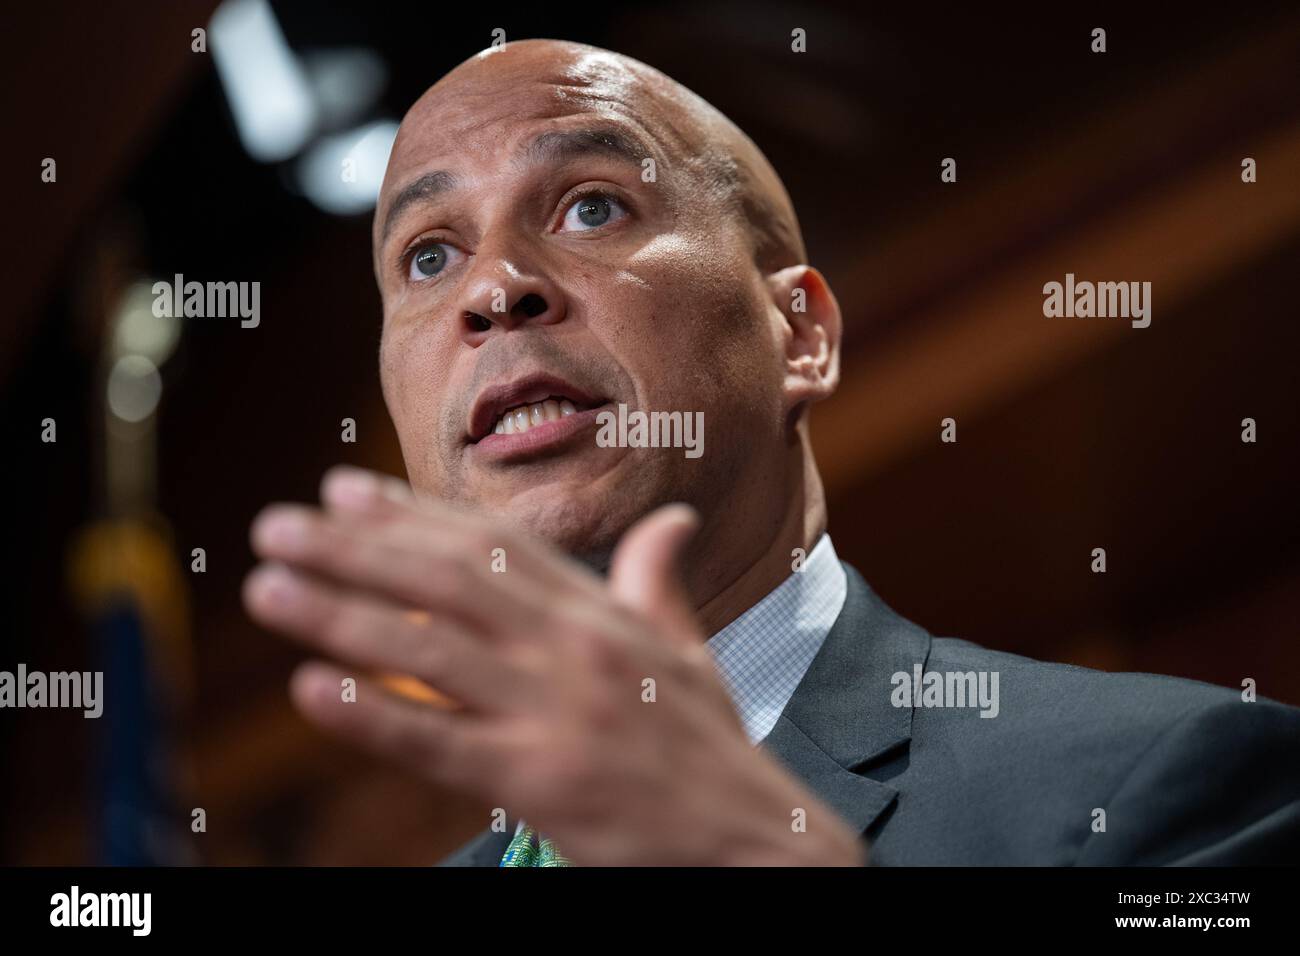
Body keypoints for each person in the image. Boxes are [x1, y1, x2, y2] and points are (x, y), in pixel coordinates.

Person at [242, 39, 1300, 866]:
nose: (493, 286)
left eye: (591, 204)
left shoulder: (1170, 782)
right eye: (429, 254)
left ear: (799, 333)